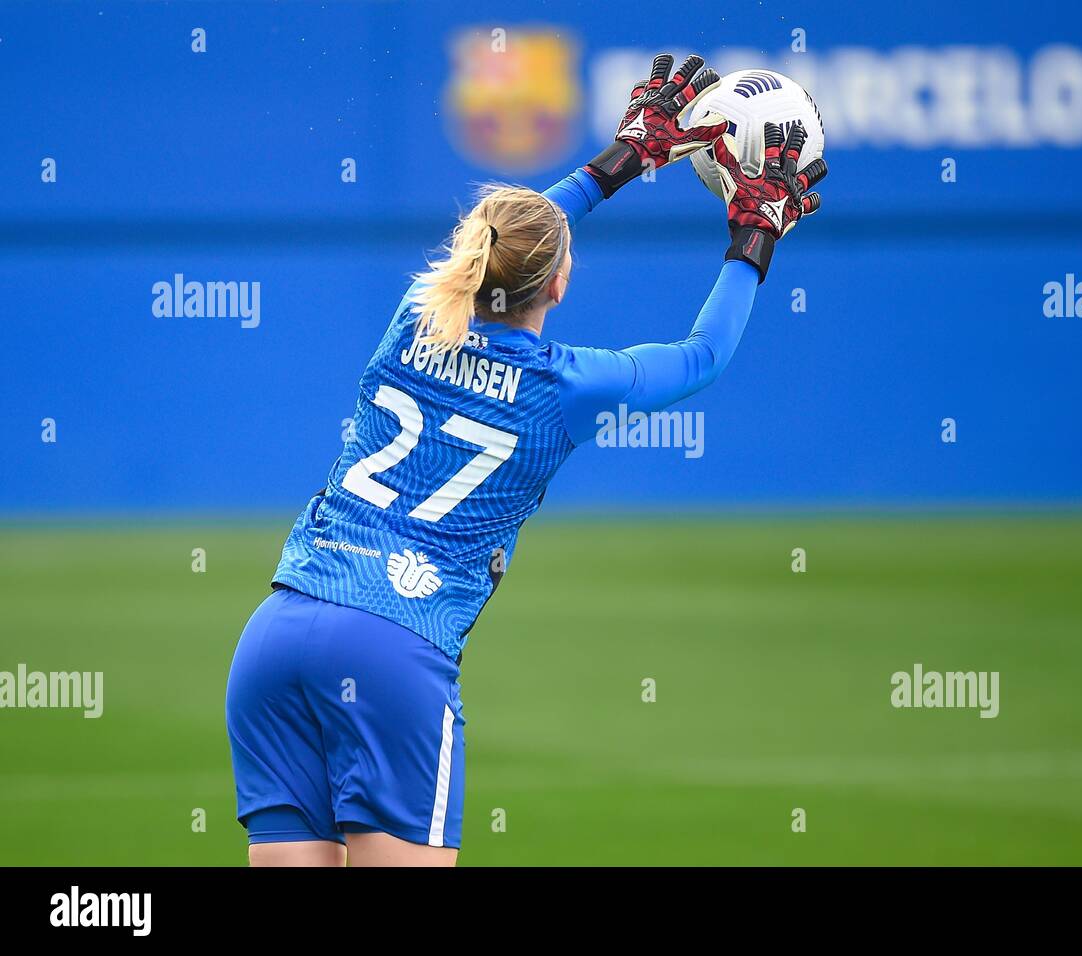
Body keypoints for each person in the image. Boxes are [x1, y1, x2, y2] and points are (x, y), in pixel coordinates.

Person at [225, 53, 828, 866]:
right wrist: (755, 231)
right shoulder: (565, 387)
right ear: (562, 283)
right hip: (395, 648)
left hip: (278, 631)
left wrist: (617, 163)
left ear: (471, 263)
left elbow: (508, 234)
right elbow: (702, 357)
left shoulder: (415, 315)